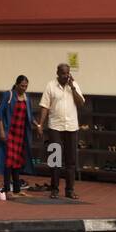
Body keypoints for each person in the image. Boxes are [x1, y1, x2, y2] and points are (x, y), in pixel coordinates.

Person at [35, 63, 84, 200]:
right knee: (55, 159)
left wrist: (73, 87)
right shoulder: (50, 86)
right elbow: (44, 106)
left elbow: (80, 103)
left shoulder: (74, 85)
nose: (65, 76)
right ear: (57, 73)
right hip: (55, 127)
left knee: (71, 160)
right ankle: (54, 189)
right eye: (63, 73)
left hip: (71, 127)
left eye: (67, 73)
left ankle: (70, 190)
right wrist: (40, 124)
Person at [0, 75, 35, 198]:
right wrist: (1, 131)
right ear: (16, 84)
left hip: (21, 134)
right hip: (9, 132)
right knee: (8, 161)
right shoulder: (8, 95)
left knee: (17, 161)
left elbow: (30, 116)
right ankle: (7, 189)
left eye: (26, 86)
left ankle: (17, 189)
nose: (24, 88)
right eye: (22, 86)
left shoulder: (26, 98)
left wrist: (37, 124)